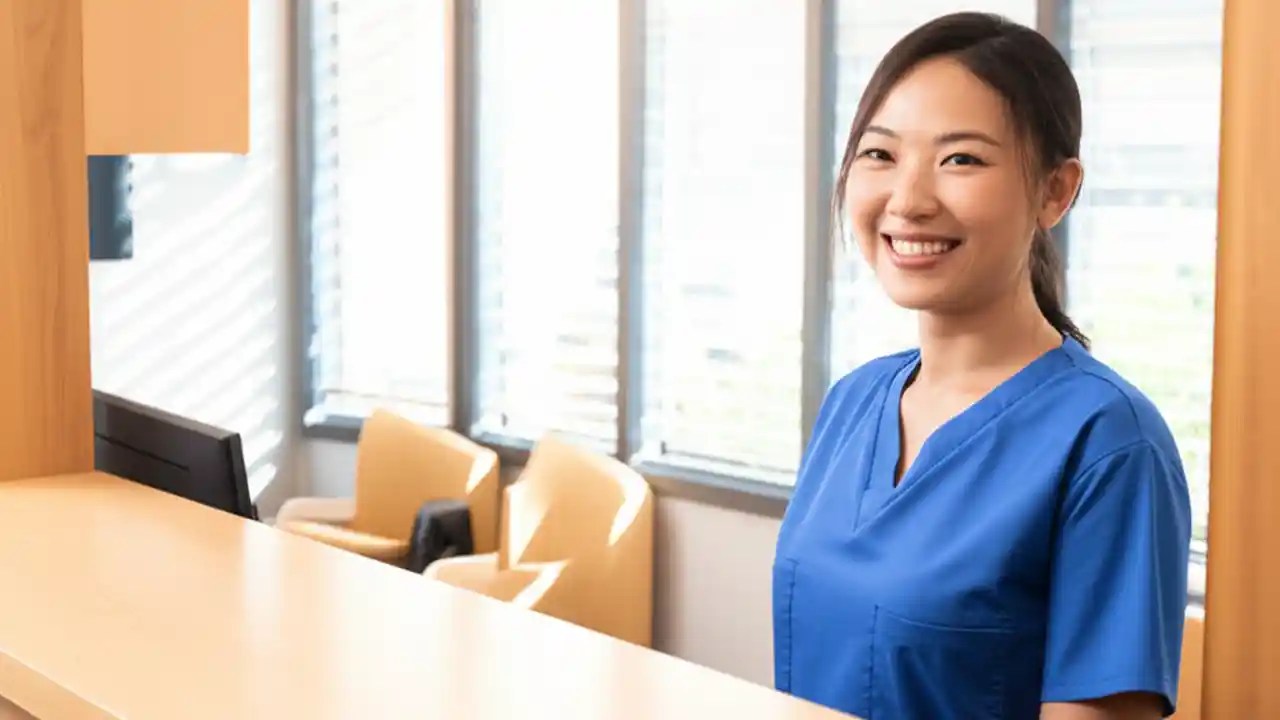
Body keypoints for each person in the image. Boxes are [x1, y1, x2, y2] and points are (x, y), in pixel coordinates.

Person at [772, 12, 1191, 720]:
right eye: (880, 155)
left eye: (960, 158)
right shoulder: (853, 401)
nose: (908, 200)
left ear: (1055, 191)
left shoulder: (1111, 446)